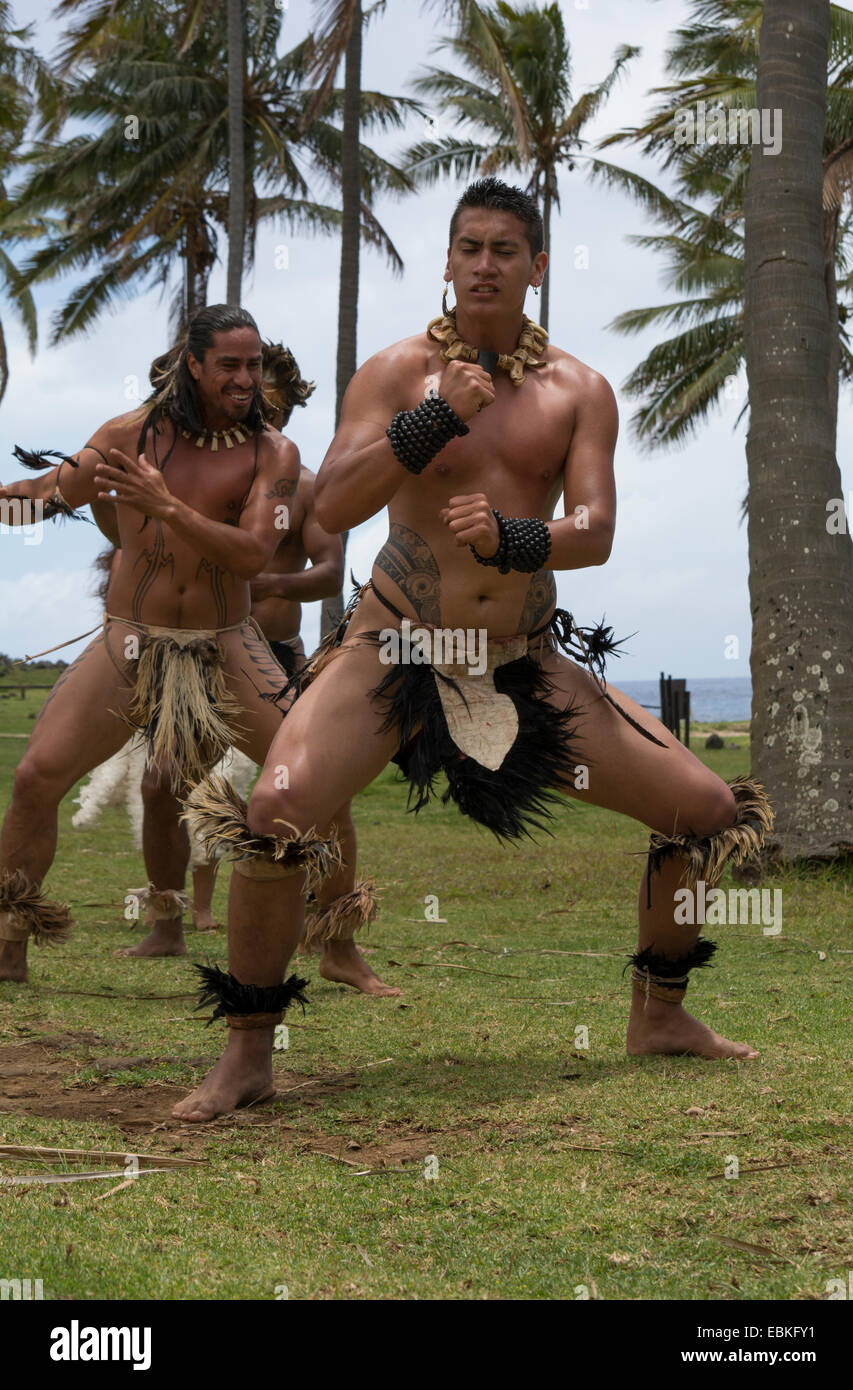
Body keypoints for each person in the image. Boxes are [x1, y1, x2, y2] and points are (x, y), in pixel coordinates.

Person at [174, 177, 773, 1123]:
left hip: (521, 662)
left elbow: (597, 528)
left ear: (538, 266)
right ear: (448, 263)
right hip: (394, 648)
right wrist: (436, 418)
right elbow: (330, 506)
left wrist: (516, 537)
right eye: (467, 248)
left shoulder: (579, 391)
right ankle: (247, 1055)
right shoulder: (394, 373)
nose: (484, 264)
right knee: (279, 809)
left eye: (504, 249)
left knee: (702, 808)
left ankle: (660, 1017)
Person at [0, 304, 339, 989]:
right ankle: (8, 942)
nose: (246, 380)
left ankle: (338, 942)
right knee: (37, 777)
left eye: (253, 367)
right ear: (193, 365)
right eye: (230, 366)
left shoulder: (274, 455)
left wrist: (167, 508)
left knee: (312, 780)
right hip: (132, 641)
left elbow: (249, 554)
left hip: (225, 644)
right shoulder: (130, 436)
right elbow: (46, 494)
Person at [124, 342, 398, 994]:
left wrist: (252, 569)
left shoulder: (300, 485)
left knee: (320, 782)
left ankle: (338, 943)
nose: (255, 406)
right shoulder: (201, 478)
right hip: (203, 651)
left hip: (274, 656)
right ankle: (168, 925)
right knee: (162, 785)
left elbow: (329, 571)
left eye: (271, 399)